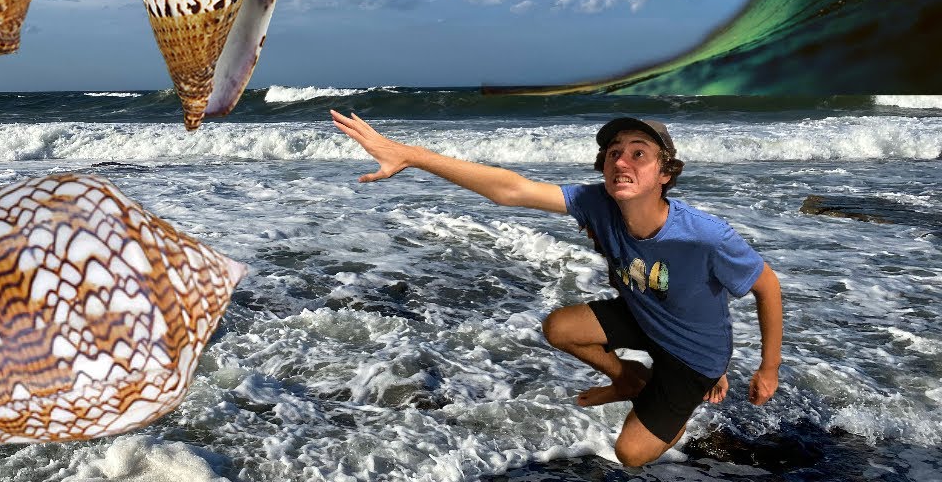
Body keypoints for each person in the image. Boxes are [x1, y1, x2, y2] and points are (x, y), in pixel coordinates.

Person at [330, 110, 783, 468]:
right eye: (612, 153)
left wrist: (768, 368)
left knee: (630, 455)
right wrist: (412, 156)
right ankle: (628, 378)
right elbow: (511, 190)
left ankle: (677, 404)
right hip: (646, 319)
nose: (621, 161)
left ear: (666, 172)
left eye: (639, 153)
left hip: (693, 355)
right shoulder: (597, 204)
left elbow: (767, 285)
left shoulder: (704, 236)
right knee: (560, 327)